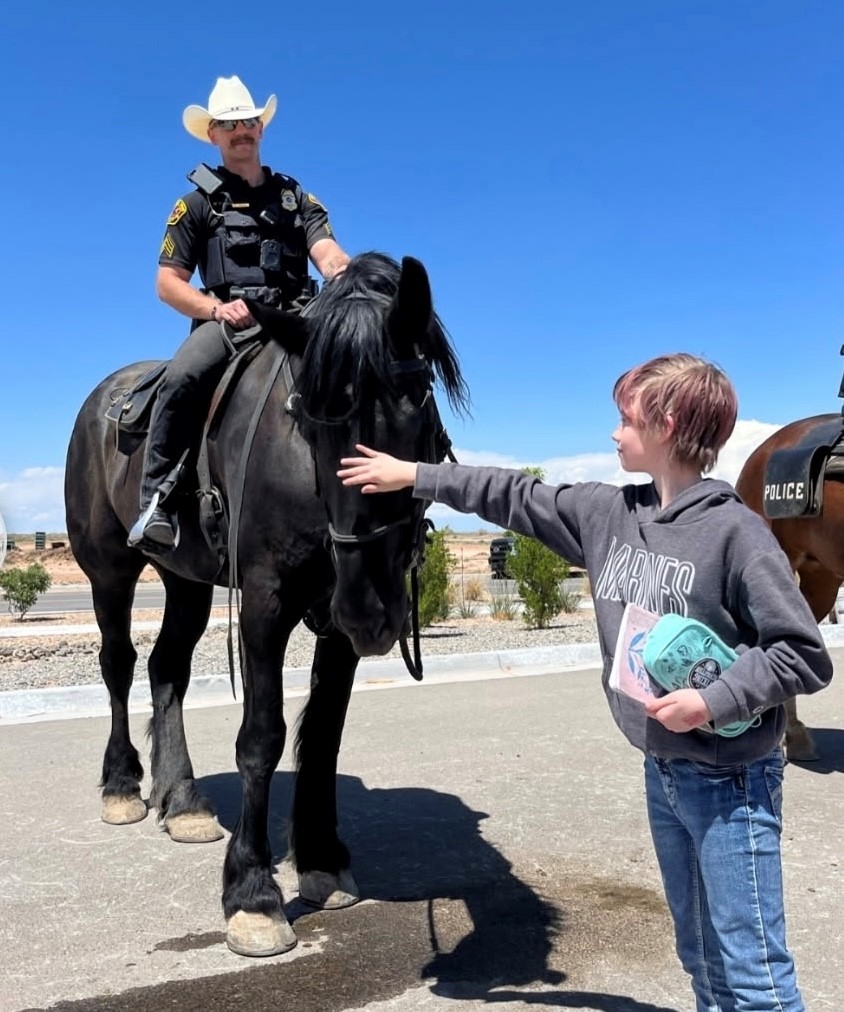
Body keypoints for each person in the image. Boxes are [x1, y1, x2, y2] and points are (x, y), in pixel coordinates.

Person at [337, 352, 832, 1011]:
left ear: (666, 424)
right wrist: (416, 476)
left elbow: (803, 653)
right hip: (664, 771)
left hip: (733, 783)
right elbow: (511, 494)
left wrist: (714, 699)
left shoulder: (737, 533)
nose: (612, 433)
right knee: (701, 955)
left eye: (624, 419)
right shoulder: (608, 516)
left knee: (754, 973)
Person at [128, 75, 350, 553]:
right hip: (230, 322)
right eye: (228, 125)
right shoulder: (195, 204)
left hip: (294, 316)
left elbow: (326, 250)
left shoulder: (296, 197)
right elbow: (167, 283)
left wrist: (342, 273)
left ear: (261, 129)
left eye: (248, 121)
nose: (240, 131)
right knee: (183, 377)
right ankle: (157, 501)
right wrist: (215, 309)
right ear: (213, 135)